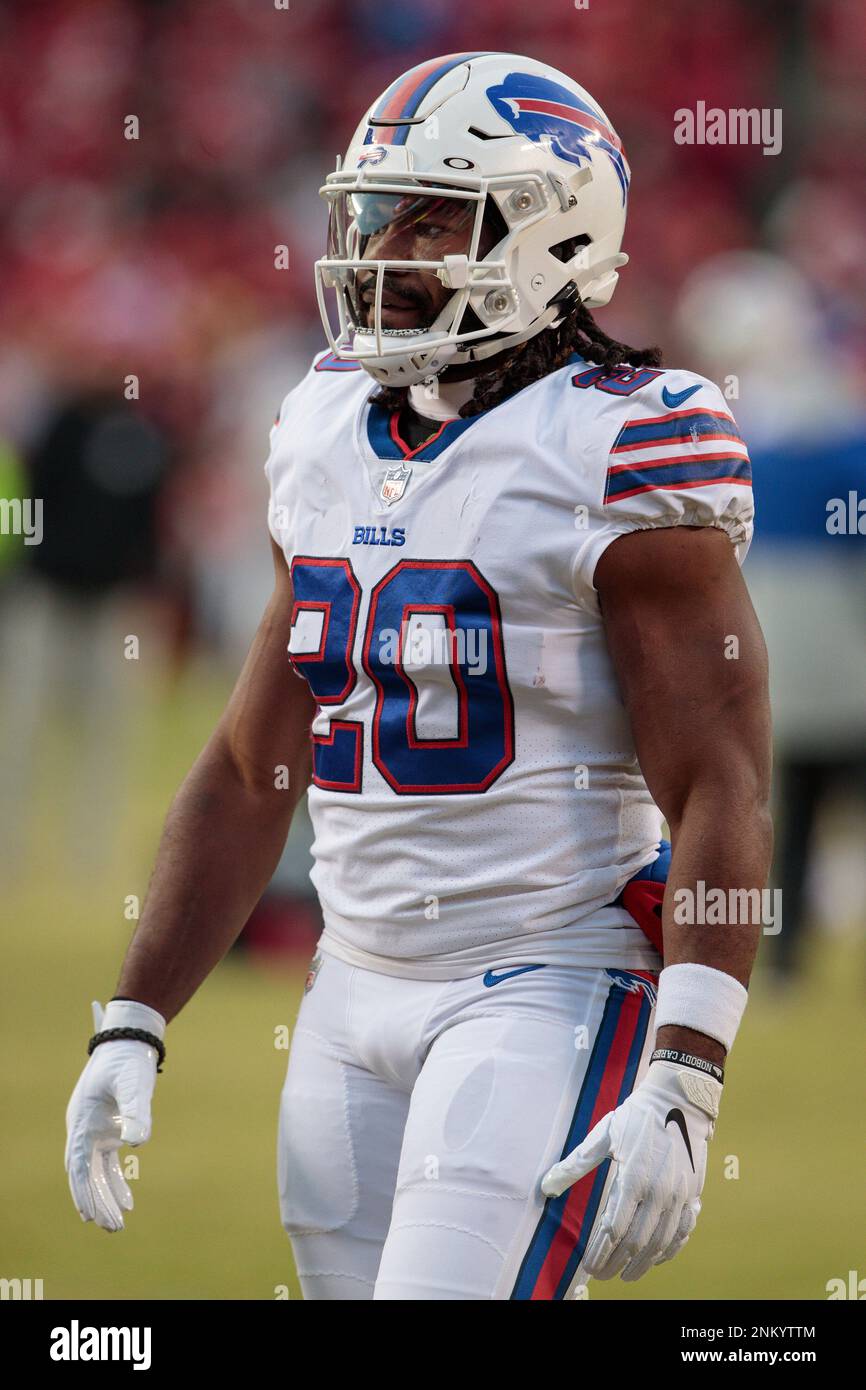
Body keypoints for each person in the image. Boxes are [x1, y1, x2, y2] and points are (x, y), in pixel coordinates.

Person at [65, 53, 772, 1301]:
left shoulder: (621, 439)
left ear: (551, 235)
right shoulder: (324, 420)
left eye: (434, 217)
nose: (385, 250)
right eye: (378, 212)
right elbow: (250, 757)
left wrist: (688, 1062)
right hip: (347, 987)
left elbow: (719, 778)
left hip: (546, 978)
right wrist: (135, 1015)